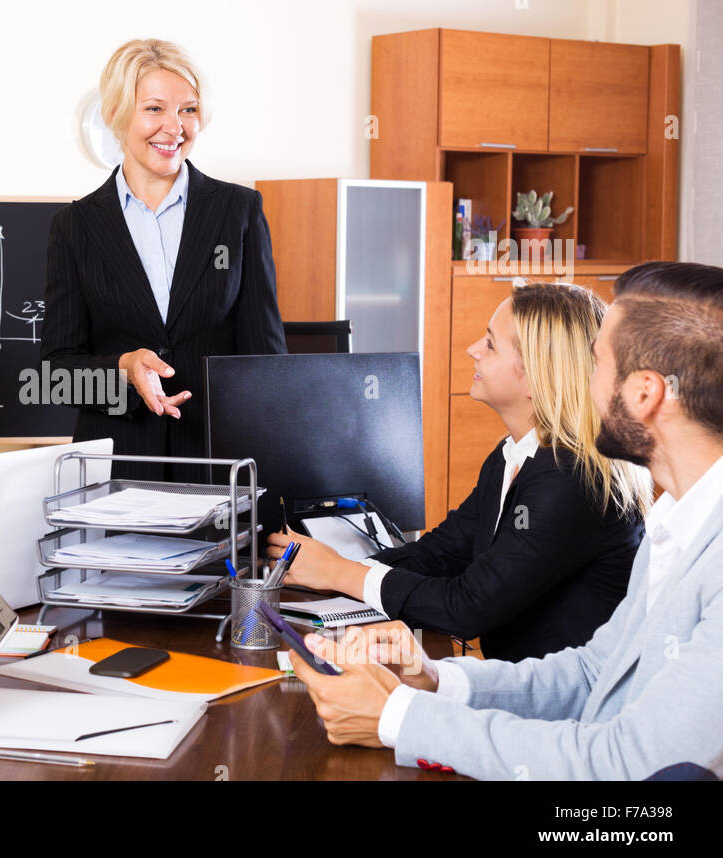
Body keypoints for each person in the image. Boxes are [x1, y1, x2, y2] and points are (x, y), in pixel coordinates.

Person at [286, 261, 723, 780]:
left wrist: (400, 717)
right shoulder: (675, 528)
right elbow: (590, 676)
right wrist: (434, 681)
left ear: (645, 394)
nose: (582, 378)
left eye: (596, 360)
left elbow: (629, 766)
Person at [268, 283, 651, 661]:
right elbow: (442, 553)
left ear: (535, 376)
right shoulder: (513, 456)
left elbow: (468, 607)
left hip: (565, 708)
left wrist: (339, 573)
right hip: (518, 687)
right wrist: (321, 567)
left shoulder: (570, 480)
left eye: (490, 343)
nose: (473, 350)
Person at [40, 38, 286, 482]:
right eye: (154, 109)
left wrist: (273, 484)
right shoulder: (75, 227)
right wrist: (124, 370)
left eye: (188, 110)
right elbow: (56, 375)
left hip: (219, 469)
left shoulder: (238, 212)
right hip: (116, 473)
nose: (174, 127)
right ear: (116, 114)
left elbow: (266, 365)